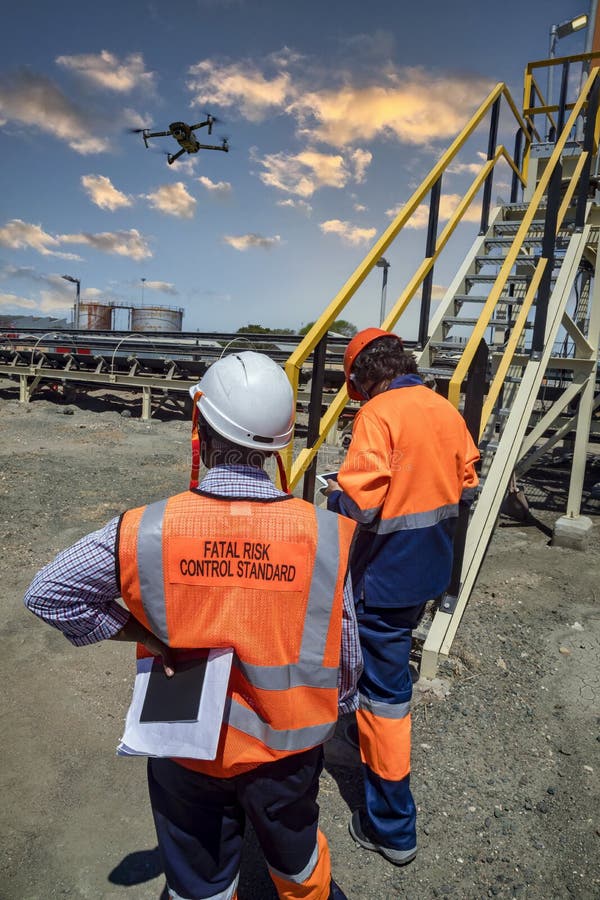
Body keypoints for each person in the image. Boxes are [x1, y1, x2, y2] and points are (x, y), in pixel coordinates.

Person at [24, 350, 362, 900]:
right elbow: (347, 660)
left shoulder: (147, 528)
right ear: (280, 444)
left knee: (198, 881)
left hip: (184, 744)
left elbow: (50, 594)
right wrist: (332, 716)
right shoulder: (323, 534)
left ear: (198, 428)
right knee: (299, 868)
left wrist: (145, 635)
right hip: (287, 752)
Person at [325, 328, 480, 867]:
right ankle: (356, 729)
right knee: (379, 671)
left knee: (387, 700)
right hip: (428, 572)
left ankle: (392, 826)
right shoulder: (443, 408)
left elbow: (360, 507)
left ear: (361, 376)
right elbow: (465, 484)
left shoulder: (378, 415)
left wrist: (334, 493)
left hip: (384, 578)